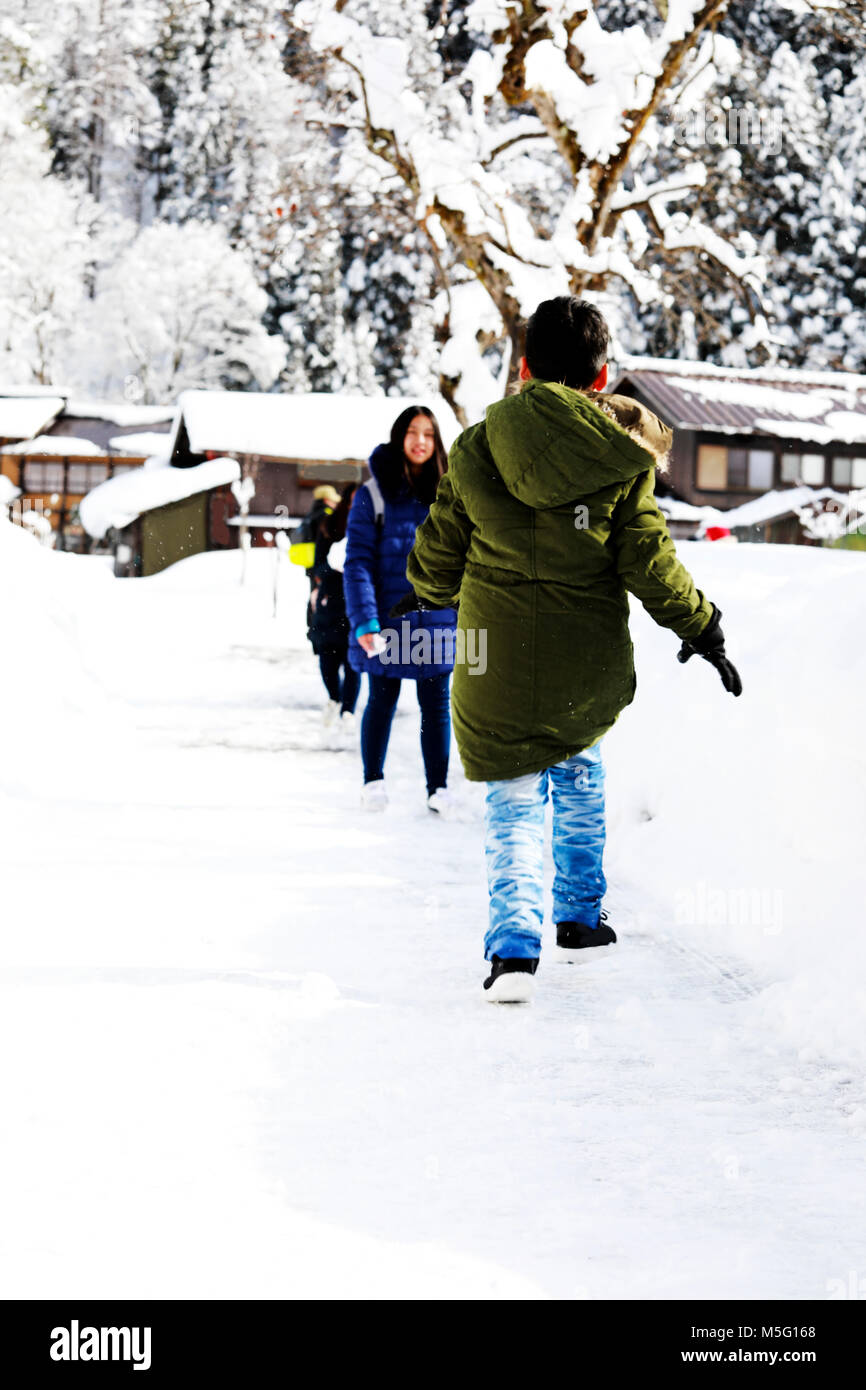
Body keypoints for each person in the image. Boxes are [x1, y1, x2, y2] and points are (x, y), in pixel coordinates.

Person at [404, 297, 742, 1001]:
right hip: (581, 666)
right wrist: (700, 628)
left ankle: (512, 949)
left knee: (513, 802)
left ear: (523, 368)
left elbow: (437, 557)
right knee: (580, 778)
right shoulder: (620, 459)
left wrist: (423, 592)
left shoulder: (474, 446)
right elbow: (650, 564)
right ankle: (581, 920)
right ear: (601, 377)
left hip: (492, 660)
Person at [343, 407, 457, 812]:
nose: (421, 441)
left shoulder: (450, 495)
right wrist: (365, 620)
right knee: (381, 698)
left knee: (436, 706)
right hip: (387, 619)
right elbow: (357, 561)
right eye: (413, 432)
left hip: (438, 619)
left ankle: (438, 789)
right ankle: (372, 781)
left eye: (429, 433)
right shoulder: (372, 495)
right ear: (399, 437)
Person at [306, 482, 361, 733]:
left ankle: (348, 710)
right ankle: (335, 697)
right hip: (330, 602)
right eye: (352, 500)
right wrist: (333, 572)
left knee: (352, 663)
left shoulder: (372, 528)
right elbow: (317, 564)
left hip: (358, 603)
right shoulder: (329, 527)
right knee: (327, 661)